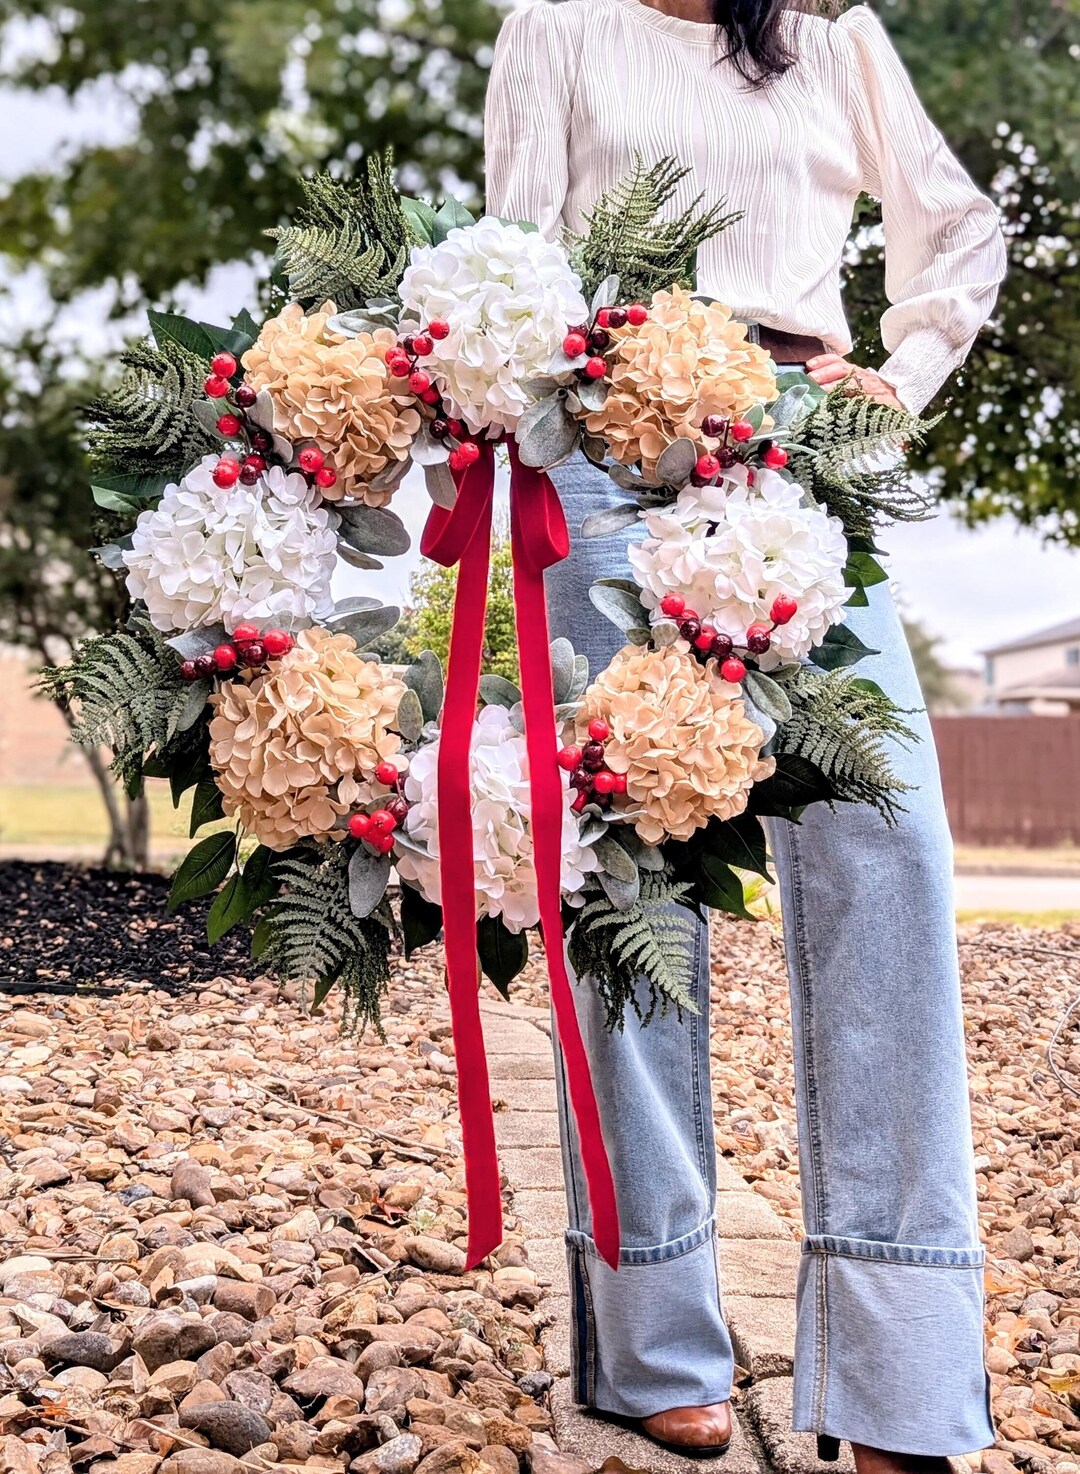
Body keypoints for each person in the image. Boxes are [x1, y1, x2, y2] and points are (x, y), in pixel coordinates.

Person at [484, 0, 1007, 1466]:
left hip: (793, 443)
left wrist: (894, 380)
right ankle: (656, 1328)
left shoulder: (835, 42)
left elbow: (959, 227)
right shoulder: (555, 31)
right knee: (632, 878)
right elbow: (516, 277)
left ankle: (900, 1360)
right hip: (599, 449)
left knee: (885, 845)